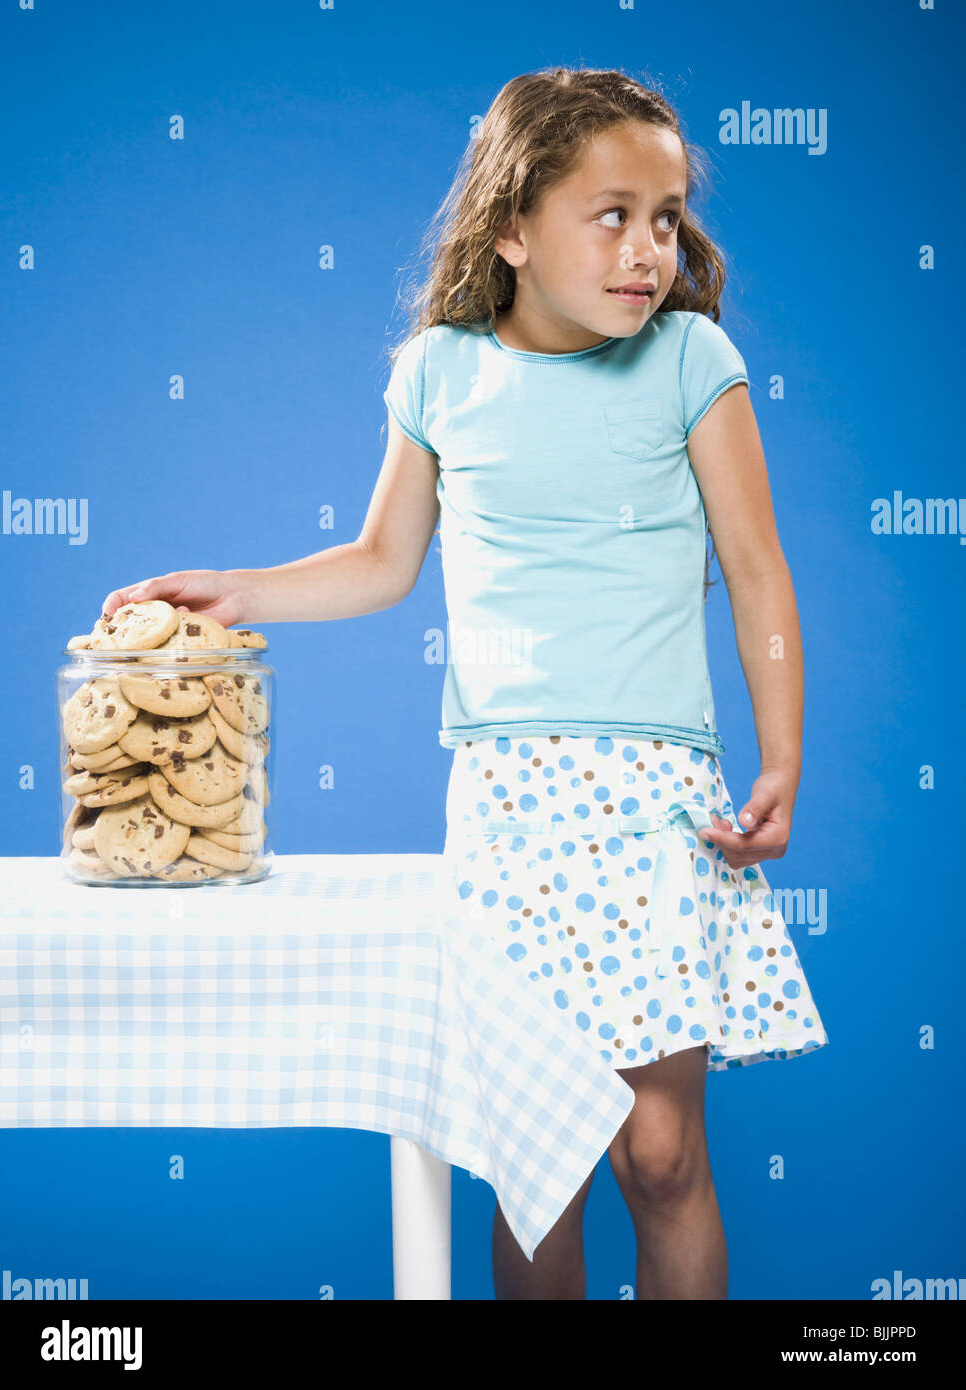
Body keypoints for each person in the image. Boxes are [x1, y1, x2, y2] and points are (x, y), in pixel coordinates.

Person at [102, 65, 829, 1301]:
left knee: (659, 1154)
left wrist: (780, 759)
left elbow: (758, 571)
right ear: (511, 226)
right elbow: (383, 560)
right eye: (613, 214)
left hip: (655, 795)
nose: (647, 249)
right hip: (506, 801)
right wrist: (239, 586)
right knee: (535, 1164)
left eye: (665, 217)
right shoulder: (438, 370)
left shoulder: (690, 360)